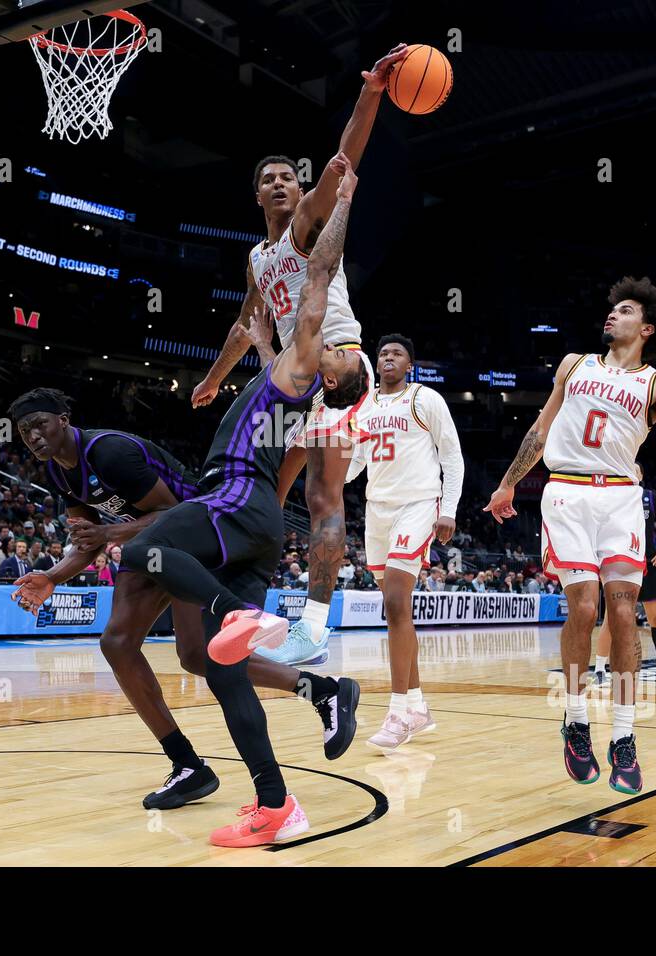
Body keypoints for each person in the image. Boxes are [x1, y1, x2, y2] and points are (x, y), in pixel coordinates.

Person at [116, 156, 363, 845]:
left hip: (238, 502)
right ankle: (279, 800)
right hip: (255, 521)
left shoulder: (307, 361)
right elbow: (256, 325)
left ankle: (245, 613)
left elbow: (317, 275)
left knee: (147, 550)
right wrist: (220, 372)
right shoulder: (278, 365)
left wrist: (343, 196)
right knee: (215, 667)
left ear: (334, 376)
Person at [6, 384, 357, 814]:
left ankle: (306, 695)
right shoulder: (61, 473)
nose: (33, 436)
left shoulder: (110, 452)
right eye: (24, 432)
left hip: (198, 536)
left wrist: (111, 534)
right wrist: (53, 578)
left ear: (63, 420)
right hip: (149, 551)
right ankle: (199, 757)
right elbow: (88, 541)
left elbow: (172, 513)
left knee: (200, 656)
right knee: (137, 646)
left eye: (40, 424)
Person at [192, 44, 411, 667]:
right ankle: (249, 602)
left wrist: (370, 92)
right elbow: (243, 326)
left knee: (323, 496)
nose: (282, 183)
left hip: (338, 364)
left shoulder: (308, 224)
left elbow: (346, 162)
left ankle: (315, 627)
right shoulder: (260, 258)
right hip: (294, 382)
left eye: (290, 175)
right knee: (264, 489)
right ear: (258, 195)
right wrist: (212, 383)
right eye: (270, 178)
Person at [486, 276, 656, 795]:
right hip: (568, 493)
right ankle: (575, 720)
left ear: (645, 328)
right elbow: (539, 429)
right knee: (582, 609)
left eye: (623, 311)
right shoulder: (574, 364)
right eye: (612, 309)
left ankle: (624, 736)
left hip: (622, 498)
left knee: (624, 614)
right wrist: (509, 483)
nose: (611, 315)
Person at [342, 333, 463, 750]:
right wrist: (329, 481)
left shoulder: (424, 398)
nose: (387, 358)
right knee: (396, 611)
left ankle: (396, 713)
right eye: (382, 353)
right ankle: (418, 705)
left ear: (409, 364)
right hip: (378, 510)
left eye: (396, 354)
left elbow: (452, 456)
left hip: (417, 504)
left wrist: (448, 508)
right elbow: (358, 459)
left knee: (395, 602)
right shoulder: (366, 405)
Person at [591, 463, 656, 694]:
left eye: (634, 469)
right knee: (612, 619)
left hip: (648, 564)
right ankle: (600, 670)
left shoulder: (651, 499)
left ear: (640, 474)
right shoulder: (610, 498)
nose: (630, 472)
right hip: (619, 565)